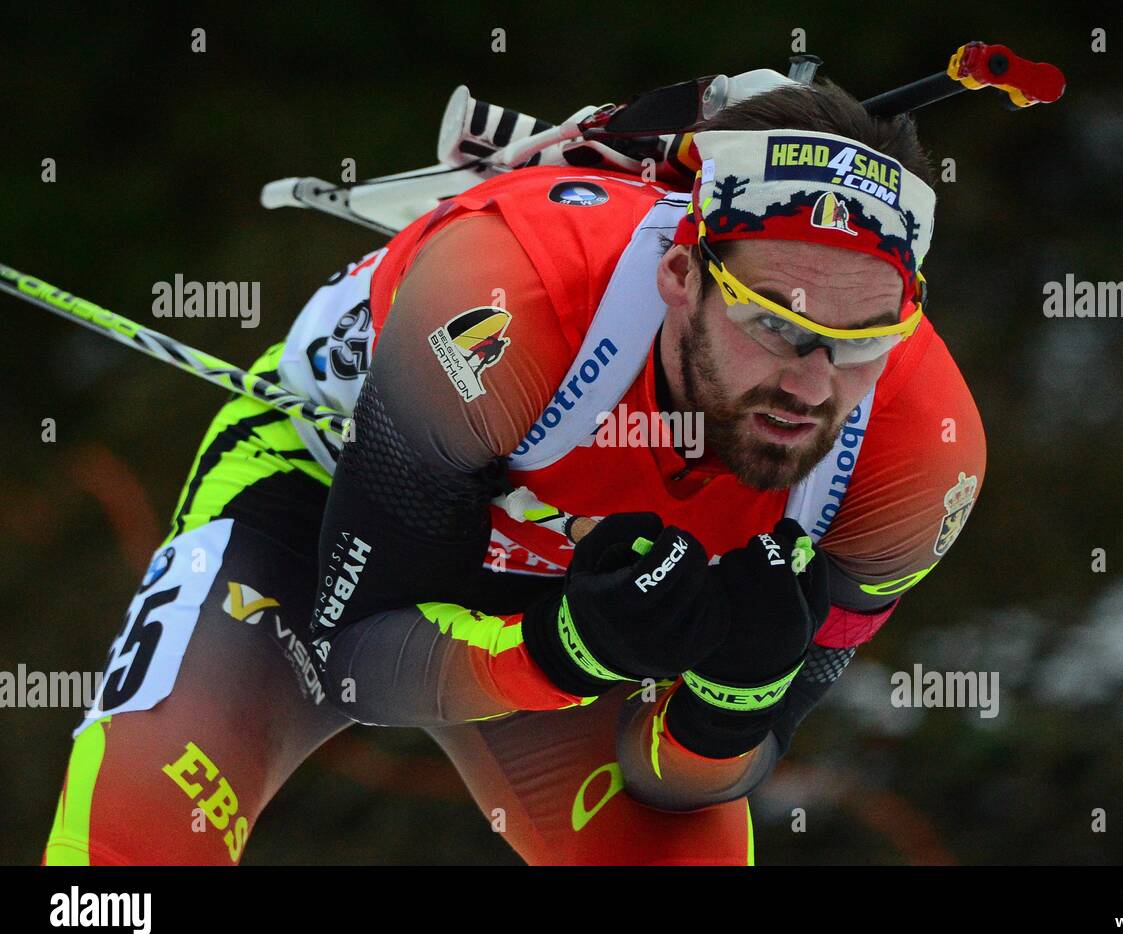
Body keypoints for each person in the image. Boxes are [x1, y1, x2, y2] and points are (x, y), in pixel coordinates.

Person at [44, 76, 984, 866]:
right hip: (320, 499)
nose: (811, 384)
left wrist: (727, 713)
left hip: (577, 589)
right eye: (774, 322)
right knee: (125, 865)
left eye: (864, 341)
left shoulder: (920, 458)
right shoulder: (510, 295)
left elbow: (684, 785)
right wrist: (567, 649)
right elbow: (359, 659)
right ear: (682, 273)